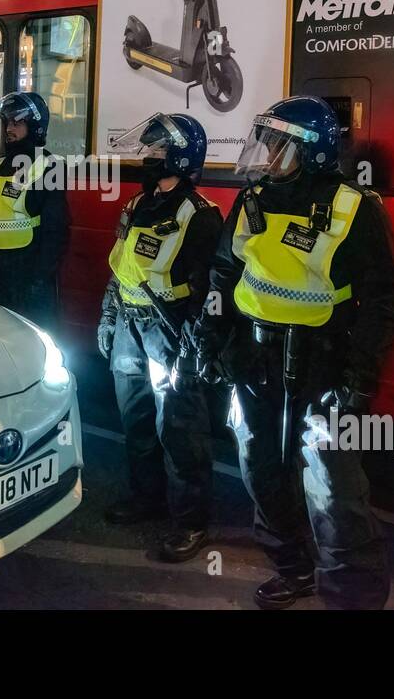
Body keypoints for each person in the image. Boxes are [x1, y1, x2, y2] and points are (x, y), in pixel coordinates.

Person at [188, 96, 394, 610]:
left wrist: (360, 376)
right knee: (259, 468)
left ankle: (353, 595)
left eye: (276, 144)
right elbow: (225, 273)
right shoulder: (253, 201)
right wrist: (210, 336)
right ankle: (292, 567)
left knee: (334, 488)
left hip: (324, 365)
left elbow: (383, 298)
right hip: (256, 359)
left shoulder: (354, 206)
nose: (264, 154)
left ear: (310, 152)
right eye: (262, 142)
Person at [98, 113, 223, 561]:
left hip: (168, 332)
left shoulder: (201, 216)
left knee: (179, 427)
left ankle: (191, 522)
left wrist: (194, 341)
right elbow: (120, 269)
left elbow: (208, 289)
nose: (146, 158)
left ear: (180, 157)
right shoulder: (136, 206)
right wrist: (109, 316)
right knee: (135, 419)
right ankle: (146, 498)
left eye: (156, 151)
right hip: (131, 326)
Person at [0, 91, 68, 326]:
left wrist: (39, 278)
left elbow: (56, 230)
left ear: (35, 126)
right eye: (7, 122)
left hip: (29, 274)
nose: (8, 129)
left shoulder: (49, 167)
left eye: (17, 123)